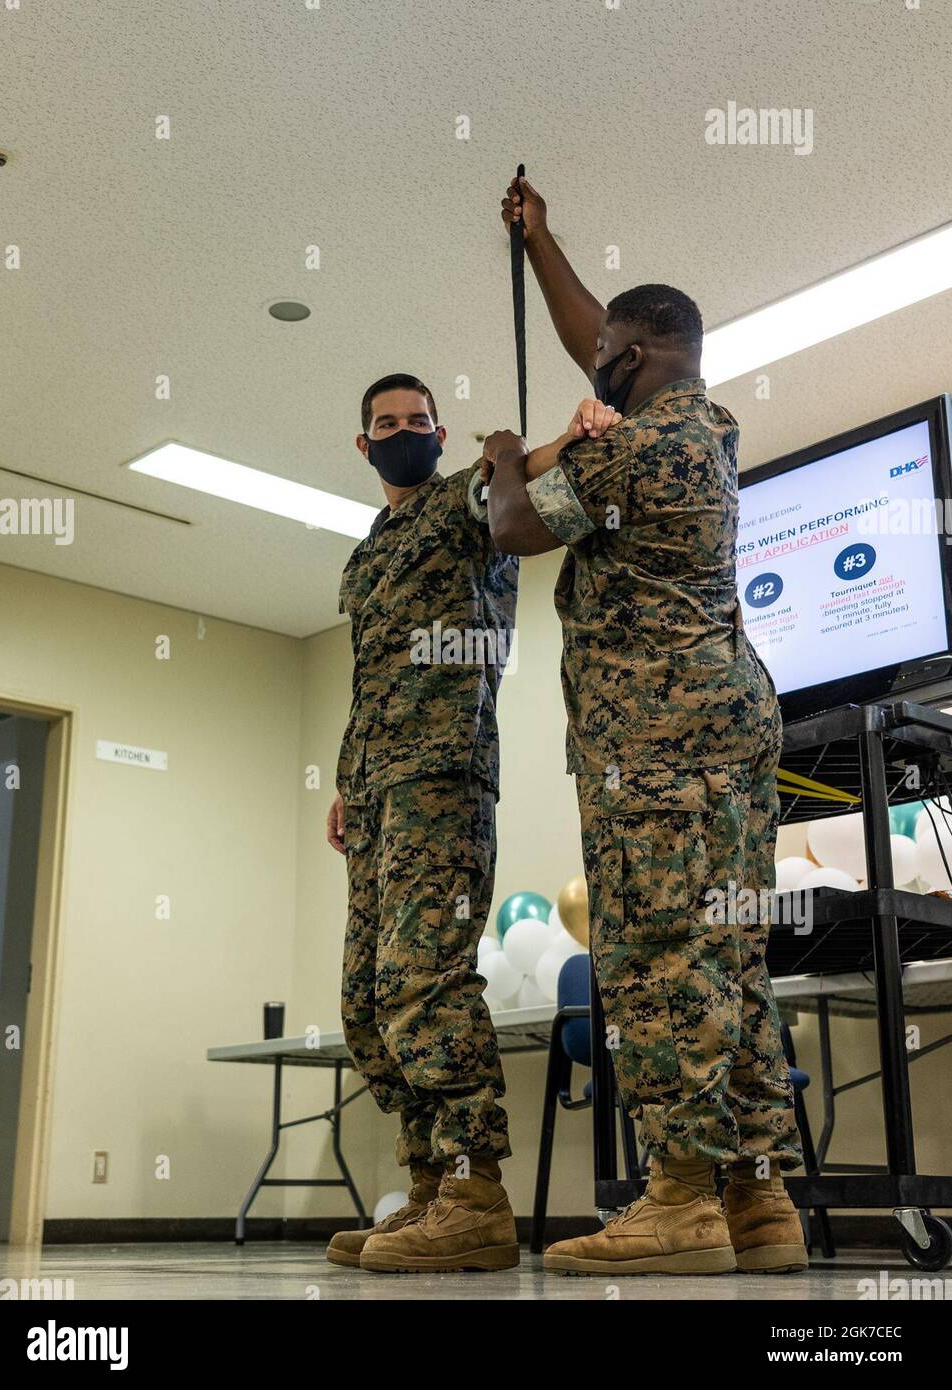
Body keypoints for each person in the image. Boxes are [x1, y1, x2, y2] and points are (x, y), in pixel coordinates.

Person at [480, 177, 806, 1276]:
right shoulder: (700, 433)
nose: (595, 363)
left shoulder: (635, 451)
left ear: (632, 358)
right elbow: (596, 338)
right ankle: (761, 1200)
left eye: (606, 355)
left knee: (659, 952)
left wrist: (500, 452)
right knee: (732, 957)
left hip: (656, 744)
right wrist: (541, 241)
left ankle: (678, 1199)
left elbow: (514, 524)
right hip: (729, 729)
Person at [325, 373, 520, 1273]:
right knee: (368, 1006)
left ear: (440, 435)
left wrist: (533, 447)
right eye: (386, 425)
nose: (404, 432)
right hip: (375, 793)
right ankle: (431, 1187)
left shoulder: (461, 505)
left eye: (418, 421)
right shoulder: (367, 553)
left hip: (441, 779)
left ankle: (479, 1195)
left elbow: (531, 475)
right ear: (364, 446)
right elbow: (370, 677)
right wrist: (345, 780)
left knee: (424, 983)